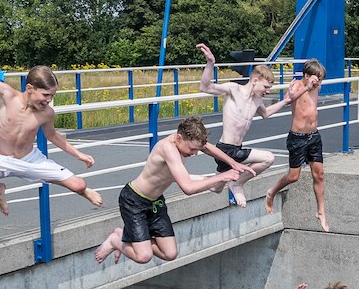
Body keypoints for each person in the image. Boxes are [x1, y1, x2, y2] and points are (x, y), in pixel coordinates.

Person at [94, 116, 255, 264]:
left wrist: (233, 163)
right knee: (144, 257)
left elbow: (208, 148)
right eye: (192, 150)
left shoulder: (186, 140)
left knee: (170, 254)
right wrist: (221, 177)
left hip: (155, 202)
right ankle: (116, 240)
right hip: (134, 201)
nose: (195, 154)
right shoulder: (168, 149)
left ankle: (130, 238)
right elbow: (188, 188)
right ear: (179, 137)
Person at [0, 44, 102, 215]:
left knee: (80, 185)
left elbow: (53, 136)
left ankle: (85, 192)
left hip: (31, 160)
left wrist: (79, 155)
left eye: (52, 96)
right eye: (45, 95)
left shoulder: (47, 113)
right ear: (30, 88)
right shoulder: (8, 95)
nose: (49, 100)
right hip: (2, 159)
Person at [196, 43, 294, 207]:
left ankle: (184, 177)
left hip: (238, 149)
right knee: (268, 158)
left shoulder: (257, 100)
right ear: (254, 80)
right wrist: (210, 63)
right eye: (266, 87)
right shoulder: (234, 90)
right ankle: (236, 184)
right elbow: (204, 87)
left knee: (215, 188)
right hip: (225, 149)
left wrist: (285, 101)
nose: (267, 91)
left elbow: (266, 113)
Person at [263, 59, 327, 231]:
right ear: (306, 76)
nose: (318, 83)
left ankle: (321, 211)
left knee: (319, 174)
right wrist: (306, 86)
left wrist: (314, 84)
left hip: (314, 136)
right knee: (293, 177)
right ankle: (272, 192)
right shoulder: (297, 86)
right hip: (297, 138)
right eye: (315, 79)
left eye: (320, 80)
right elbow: (290, 99)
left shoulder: (316, 87)